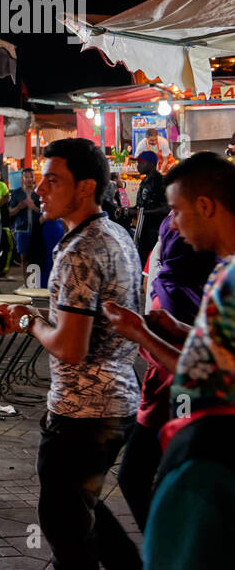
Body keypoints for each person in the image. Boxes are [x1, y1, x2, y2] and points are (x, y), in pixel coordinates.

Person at [0, 138, 142, 570]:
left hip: (82, 410)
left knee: (65, 527)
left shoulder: (78, 252)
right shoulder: (116, 235)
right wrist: (32, 316)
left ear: (86, 187)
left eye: (53, 181)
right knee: (81, 509)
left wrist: (28, 323)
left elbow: (71, 347)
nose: (40, 190)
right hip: (118, 400)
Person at [102, 152, 235, 570]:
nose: (171, 225)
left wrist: (140, 334)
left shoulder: (229, 280)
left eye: (176, 210)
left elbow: (205, 376)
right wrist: (173, 327)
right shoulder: (222, 274)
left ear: (207, 206)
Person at [113, 211, 216, 531]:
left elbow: (199, 363)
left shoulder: (180, 285)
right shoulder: (203, 276)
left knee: (141, 479)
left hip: (174, 401)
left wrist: (143, 336)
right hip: (181, 403)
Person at [134, 150, 167, 265]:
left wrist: (144, 212)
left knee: (152, 262)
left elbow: (166, 208)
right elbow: (141, 204)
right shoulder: (144, 181)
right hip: (143, 229)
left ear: (151, 164)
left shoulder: (160, 181)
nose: (137, 166)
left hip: (155, 230)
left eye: (140, 163)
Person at [8, 167, 41, 260]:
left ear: (34, 178)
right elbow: (10, 212)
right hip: (22, 230)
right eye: (26, 177)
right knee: (24, 258)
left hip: (37, 230)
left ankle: (34, 275)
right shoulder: (16, 193)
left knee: (36, 258)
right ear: (22, 179)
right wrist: (18, 207)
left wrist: (33, 206)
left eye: (31, 177)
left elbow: (45, 212)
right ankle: (25, 275)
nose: (29, 179)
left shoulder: (39, 192)